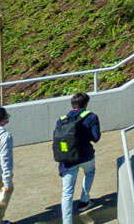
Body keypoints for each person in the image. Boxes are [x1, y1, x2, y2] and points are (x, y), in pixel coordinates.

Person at [53, 92, 100, 223]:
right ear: (85, 104)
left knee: (67, 192)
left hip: (67, 159)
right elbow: (96, 138)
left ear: (72, 105)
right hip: (86, 156)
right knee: (90, 172)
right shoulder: (91, 117)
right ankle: (84, 201)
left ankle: (67, 222)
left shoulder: (62, 119)